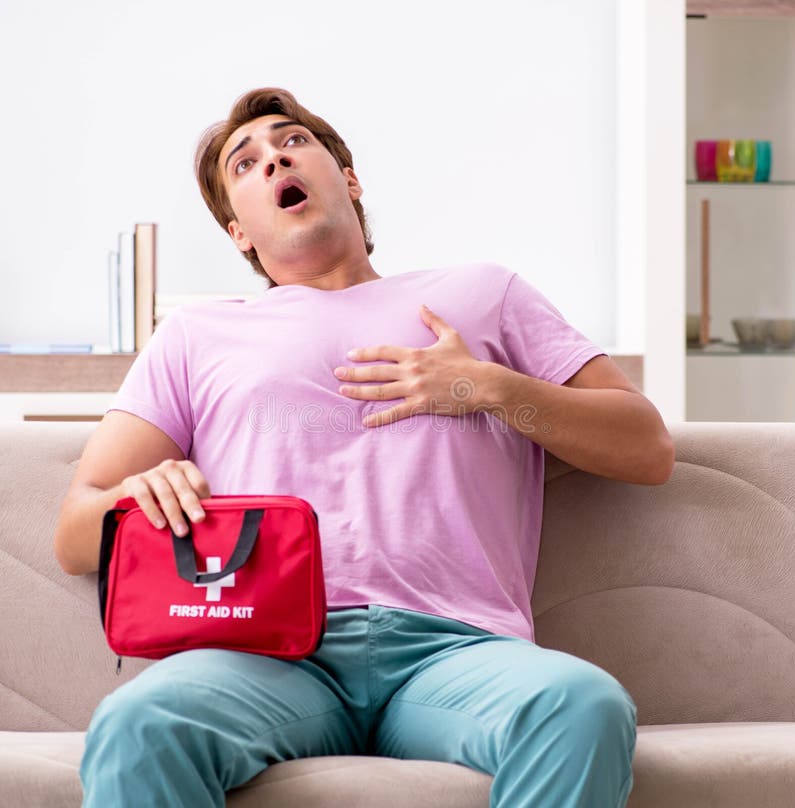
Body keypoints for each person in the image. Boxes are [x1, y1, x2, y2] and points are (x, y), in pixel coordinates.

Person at [54, 87, 674, 808]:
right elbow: (74, 534)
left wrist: (488, 389)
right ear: (239, 234)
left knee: (583, 705)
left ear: (347, 180)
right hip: (267, 657)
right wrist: (135, 498)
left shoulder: (482, 294)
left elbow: (647, 446)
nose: (274, 159)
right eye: (245, 162)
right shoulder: (196, 337)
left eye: (292, 142)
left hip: (458, 651)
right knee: (138, 720)